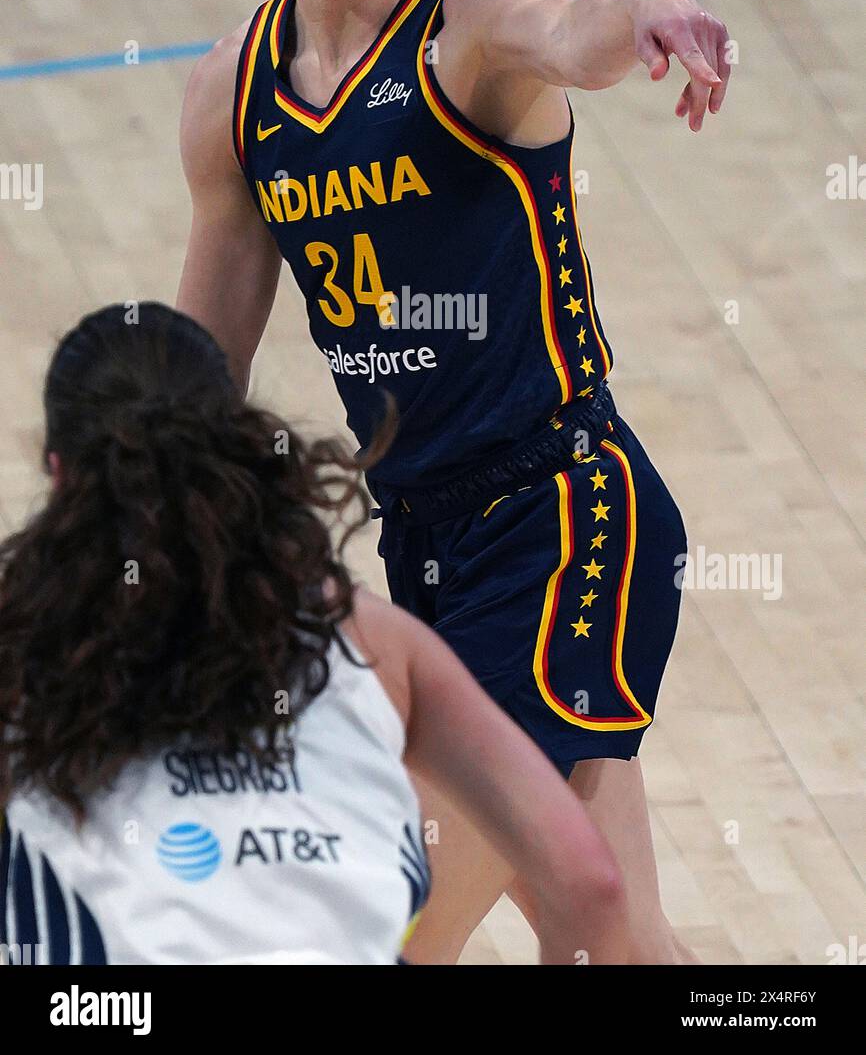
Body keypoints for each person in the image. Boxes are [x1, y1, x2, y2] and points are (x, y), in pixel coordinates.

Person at [175, 0, 731, 964]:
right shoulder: (236, 93)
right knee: (618, 947)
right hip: (425, 546)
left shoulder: (469, 25)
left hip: (565, 519)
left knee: (387, 931)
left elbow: (570, 30)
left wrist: (645, 8)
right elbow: (202, 364)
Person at [0, 302, 628, 966]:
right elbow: (592, 884)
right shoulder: (371, 639)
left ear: (59, 470)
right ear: (237, 447)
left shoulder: (20, 645)